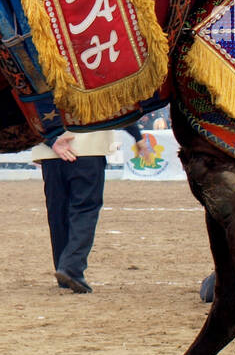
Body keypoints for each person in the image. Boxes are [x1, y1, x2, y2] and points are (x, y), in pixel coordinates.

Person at [39, 122, 152, 293]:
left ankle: (62, 271)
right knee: (84, 209)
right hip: (89, 148)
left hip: (50, 152)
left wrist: (50, 140)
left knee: (57, 213)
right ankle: (70, 267)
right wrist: (137, 135)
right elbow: (115, 103)